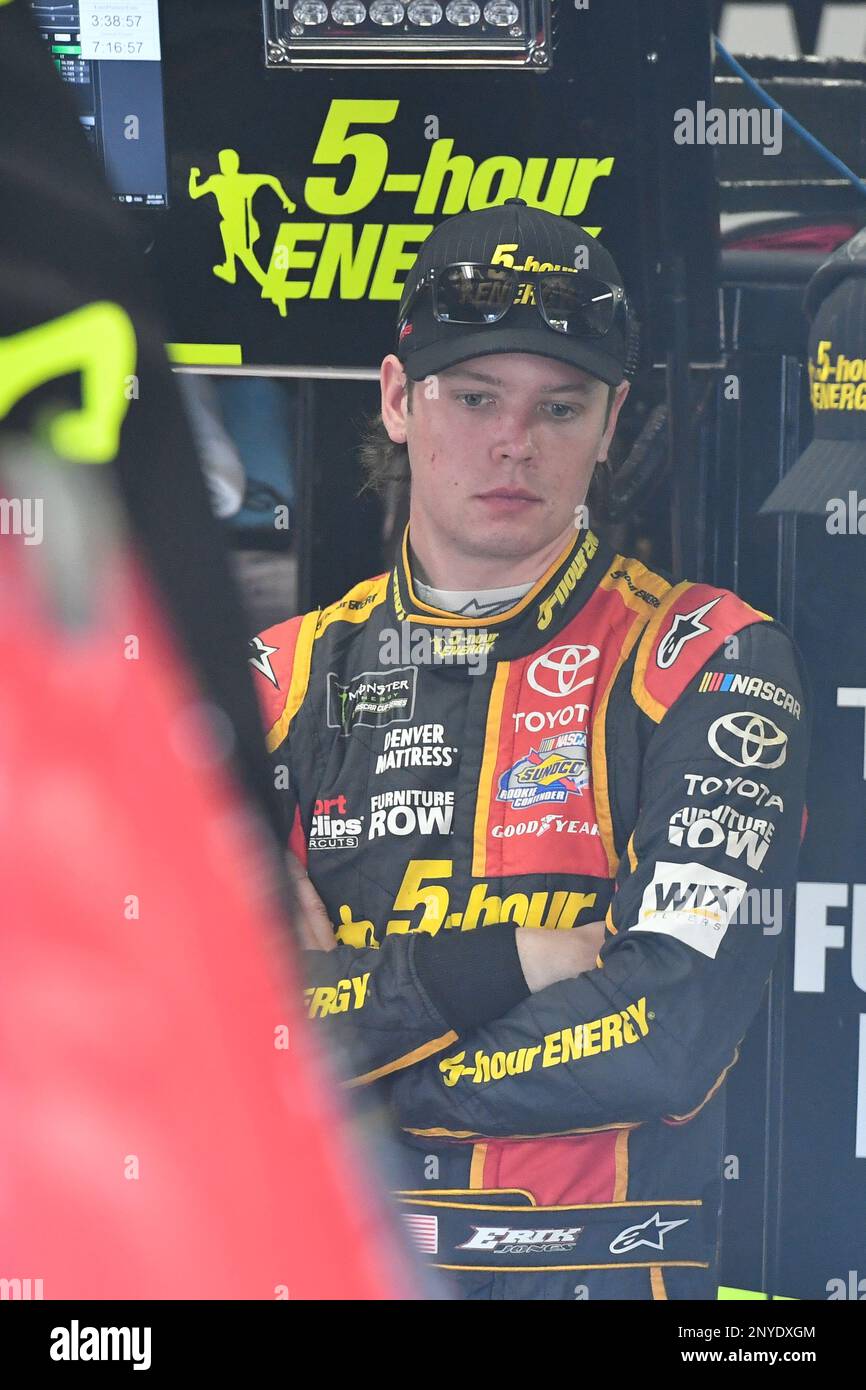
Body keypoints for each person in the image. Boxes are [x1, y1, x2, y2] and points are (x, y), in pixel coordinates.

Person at [250, 199, 810, 1300]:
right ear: (397, 401)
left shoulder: (707, 659)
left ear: (610, 429)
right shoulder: (267, 684)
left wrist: (349, 1055)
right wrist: (501, 964)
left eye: (559, 406)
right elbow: (206, 1032)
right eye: (473, 397)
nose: (514, 442)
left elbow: (664, 1031)